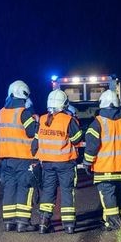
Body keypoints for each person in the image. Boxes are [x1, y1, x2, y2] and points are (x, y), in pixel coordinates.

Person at [83, 89, 121, 230]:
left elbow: (91, 148)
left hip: (104, 169)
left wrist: (87, 164)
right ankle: (109, 222)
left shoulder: (97, 123)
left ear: (102, 104)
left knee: (108, 198)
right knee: (119, 196)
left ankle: (114, 223)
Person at [34, 90, 83, 234]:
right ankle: (68, 225)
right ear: (64, 104)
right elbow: (76, 139)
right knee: (67, 191)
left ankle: (43, 223)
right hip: (65, 163)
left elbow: (36, 141)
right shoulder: (68, 119)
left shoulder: (42, 119)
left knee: (48, 192)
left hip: (47, 163)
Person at [0, 80, 39, 232]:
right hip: (23, 157)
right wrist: (36, 120)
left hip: (6, 158)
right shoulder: (23, 113)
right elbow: (32, 131)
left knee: (9, 188)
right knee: (25, 187)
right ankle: (23, 223)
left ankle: (9, 222)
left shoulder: (0, 113)